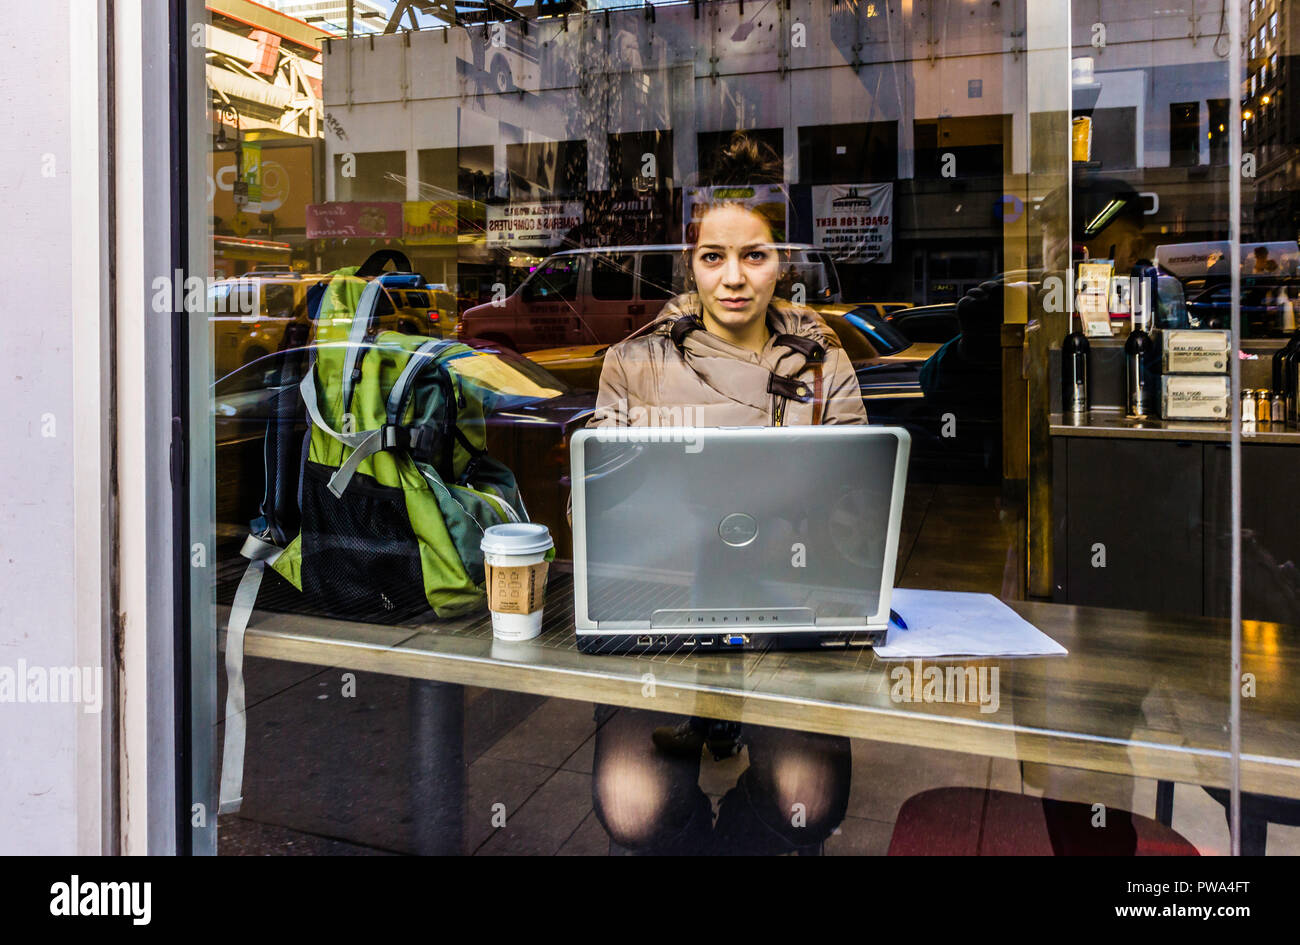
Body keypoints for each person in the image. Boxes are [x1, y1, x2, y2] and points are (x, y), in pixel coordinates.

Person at [586, 133, 866, 854]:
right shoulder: (635, 363)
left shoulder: (823, 363)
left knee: (809, 795)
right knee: (632, 800)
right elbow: (594, 513)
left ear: (784, 262)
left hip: (788, 609)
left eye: (755, 255)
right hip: (660, 608)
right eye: (714, 257)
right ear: (691, 260)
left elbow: (859, 514)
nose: (733, 278)